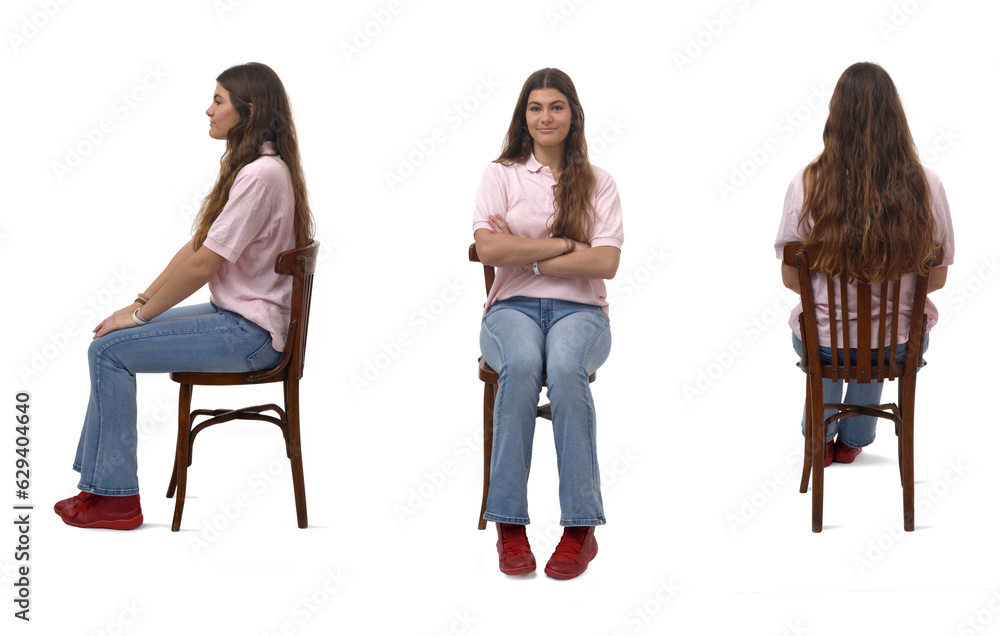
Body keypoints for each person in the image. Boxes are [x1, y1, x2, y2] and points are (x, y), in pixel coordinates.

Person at [55, 62, 314, 530]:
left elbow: (203, 266)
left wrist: (136, 319)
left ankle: (114, 500)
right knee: (107, 345)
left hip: (249, 337)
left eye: (218, 101)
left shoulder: (261, 175)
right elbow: (197, 247)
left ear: (247, 111)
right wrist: (138, 303)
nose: (208, 110)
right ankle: (99, 489)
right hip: (237, 321)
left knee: (108, 350)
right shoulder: (260, 167)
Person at [473, 68, 624, 579]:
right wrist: (563, 246)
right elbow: (488, 249)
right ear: (524, 117)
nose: (545, 117)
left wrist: (527, 256)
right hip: (511, 309)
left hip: (581, 312)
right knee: (519, 364)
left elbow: (605, 263)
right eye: (535, 108)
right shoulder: (501, 175)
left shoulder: (599, 182)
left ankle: (580, 529)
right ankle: (509, 525)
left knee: (563, 369)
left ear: (573, 115)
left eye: (556, 107)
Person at [774, 62, 954, 466]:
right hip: (897, 345)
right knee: (880, 340)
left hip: (823, 343)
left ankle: (817, 441)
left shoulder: (807, 182)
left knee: (829, 340)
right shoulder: (928, 185)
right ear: (896, 118)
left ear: (835, 117)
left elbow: (791, 278)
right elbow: (937, 278)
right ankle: (853, 440)